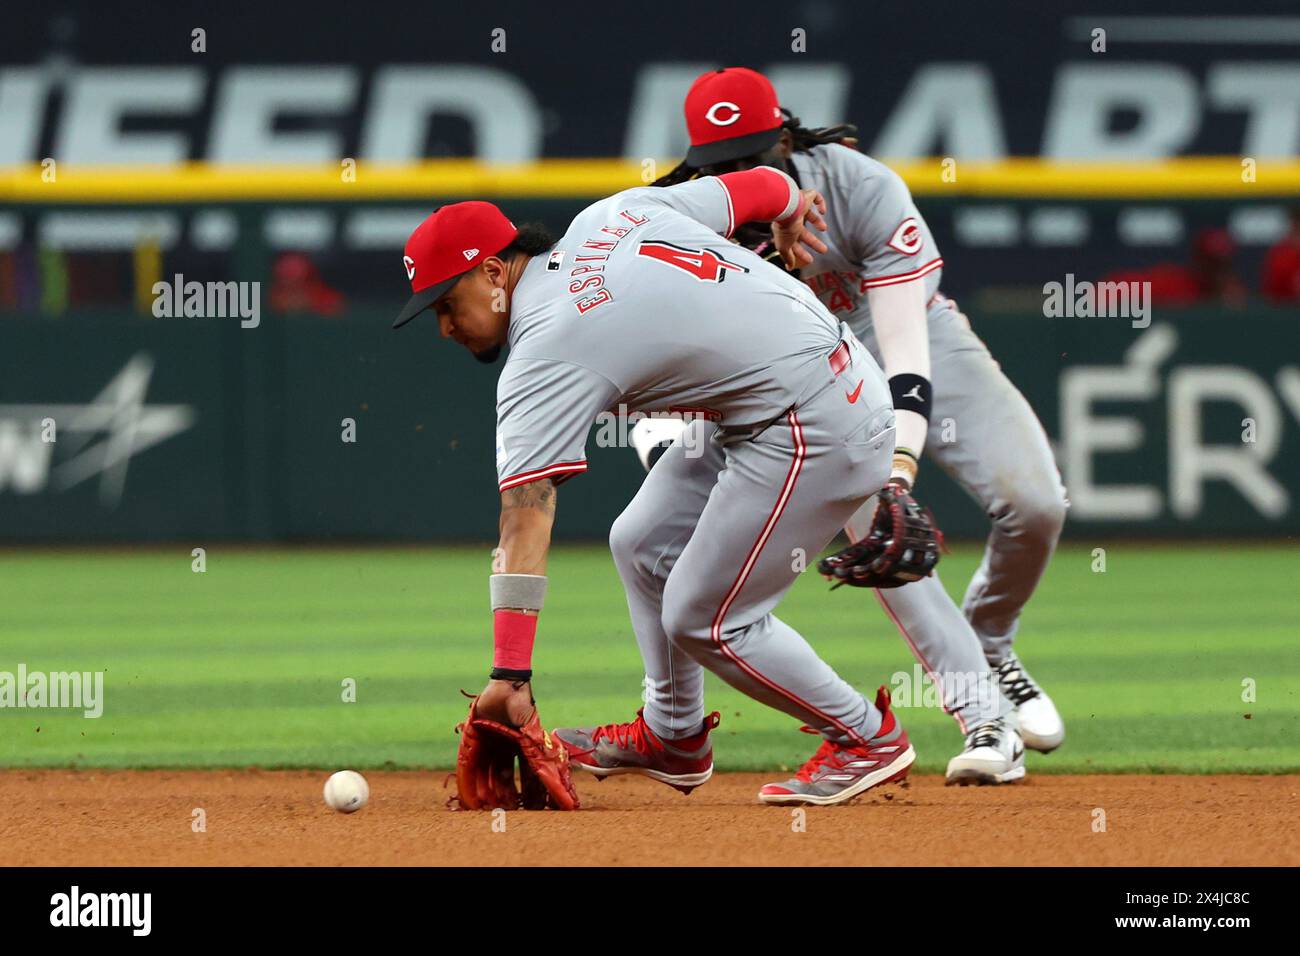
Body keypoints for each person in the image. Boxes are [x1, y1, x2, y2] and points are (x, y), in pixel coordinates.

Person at [394, 167, 934, 806]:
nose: (444, 328)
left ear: (491, 273)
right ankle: (673, 735)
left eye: (446, 305)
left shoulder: (544, 347)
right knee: (641, 542)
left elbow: (525, 514)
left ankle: (866, 737)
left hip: (816, 420)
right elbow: (756, 185)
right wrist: (791, 207)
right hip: (789, 393)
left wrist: (511, 673)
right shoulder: (611, 215)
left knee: (706, 618)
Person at [629, 67, 1069, 782]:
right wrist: (666, 441)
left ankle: (988, 634)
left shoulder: (859, 185)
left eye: (753, 154)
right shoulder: (686, 215)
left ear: (785, 136)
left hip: (903, 342)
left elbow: (901, 349)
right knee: (870, 527)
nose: (739, 171)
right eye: (721, 163)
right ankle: (986, 721)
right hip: (789, 373)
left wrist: (899, 467)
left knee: (1036, 504)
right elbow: (660, 361)